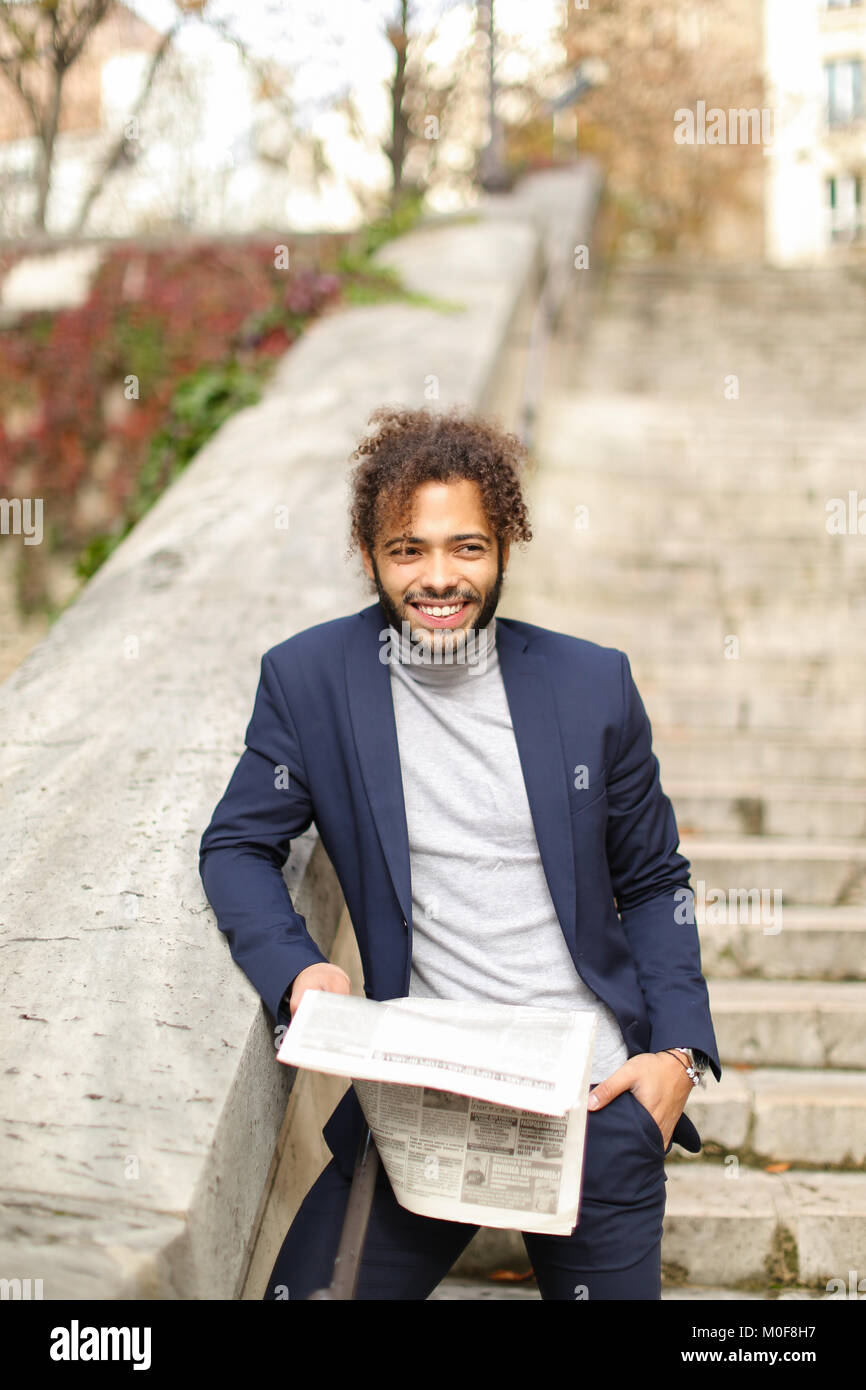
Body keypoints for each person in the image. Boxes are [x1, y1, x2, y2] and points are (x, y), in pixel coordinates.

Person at [198, 404, 720, 1301]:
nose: (439, 577)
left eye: (467, 547)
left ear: (505, 548)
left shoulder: (592, 684)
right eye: (409, 550)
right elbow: (238, 844)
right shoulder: (311, 679)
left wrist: (674, 1059)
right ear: (370, 555)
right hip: (418, 1099)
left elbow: (655, 881)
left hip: (592, 1097)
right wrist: (297, 970)